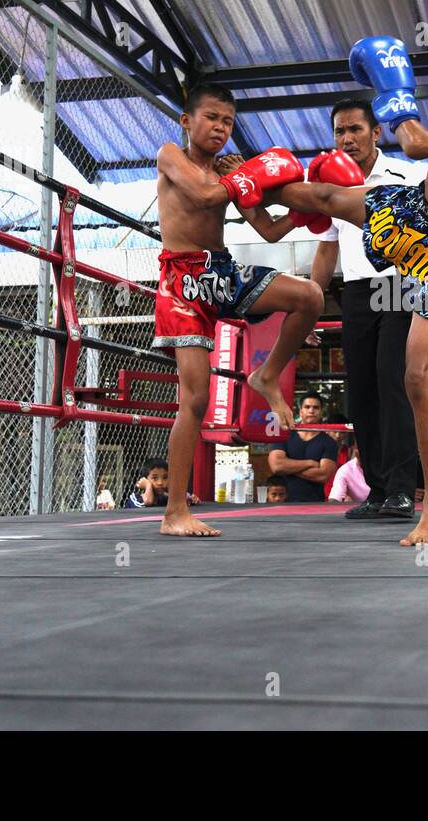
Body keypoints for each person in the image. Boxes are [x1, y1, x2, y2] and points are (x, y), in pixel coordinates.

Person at [275, 11, 428, 546]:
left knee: (414, 376)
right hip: (416, 212)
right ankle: (244, 183)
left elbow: (415, 144)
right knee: (325, 196)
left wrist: (394, 87)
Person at [152, 81, 324, 537]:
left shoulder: (232, 171)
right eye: (211, 118)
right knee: (196, 399)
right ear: (187, 120)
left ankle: (266, 376)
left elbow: (269, 231)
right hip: (182, 283)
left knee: (310, 296)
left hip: (222, 272)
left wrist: (310, 209)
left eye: (228, 121)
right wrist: (248, 176)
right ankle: (174, 512)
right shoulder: (172, 154)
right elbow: (207, 196)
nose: (220, 128)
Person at [309, 99, 421, 521]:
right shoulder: (331, 185)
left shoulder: (407, 174)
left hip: (401, 284)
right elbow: (326, 248)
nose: (346, 138)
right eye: (339, 131)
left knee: (392, 382)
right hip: (356, 291)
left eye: (355, 129)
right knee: (362, 391)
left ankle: (402, 489)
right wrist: (311, 306)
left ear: (376, 132)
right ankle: (377, 489)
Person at [267, 392, 341, 503]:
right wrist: (310, 463)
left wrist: (288, 468)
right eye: (307, 407)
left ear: (321, 412)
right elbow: (277, 466)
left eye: (316, 407)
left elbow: (323, 475)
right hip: (283, 504)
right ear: (300, 411)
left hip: (314, 504)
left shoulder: (329, 442)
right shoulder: (284, 435)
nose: (311, 411)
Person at [329, 435, 371, 503]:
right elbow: (334, 498)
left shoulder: (388, 466)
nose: (363, 452)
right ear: (353, 449)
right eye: (358, 448)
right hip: (360, 511)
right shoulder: (345, 470)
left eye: (368, 449)